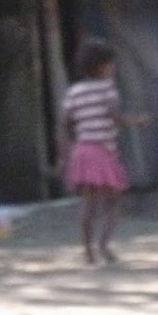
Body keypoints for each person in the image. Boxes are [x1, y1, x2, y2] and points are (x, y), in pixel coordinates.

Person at [59, 39, 148, 265]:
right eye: (111, 65)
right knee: (114, 199)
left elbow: (66, 123)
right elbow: (115, 117)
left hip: (82, 150)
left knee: (88, 204)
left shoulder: (74, 91)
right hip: (102, 151)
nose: (113, 69)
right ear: (102, 66)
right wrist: (136, 121)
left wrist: (65, 153)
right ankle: (104, 244)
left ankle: (88, 251)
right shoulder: (107, 89)